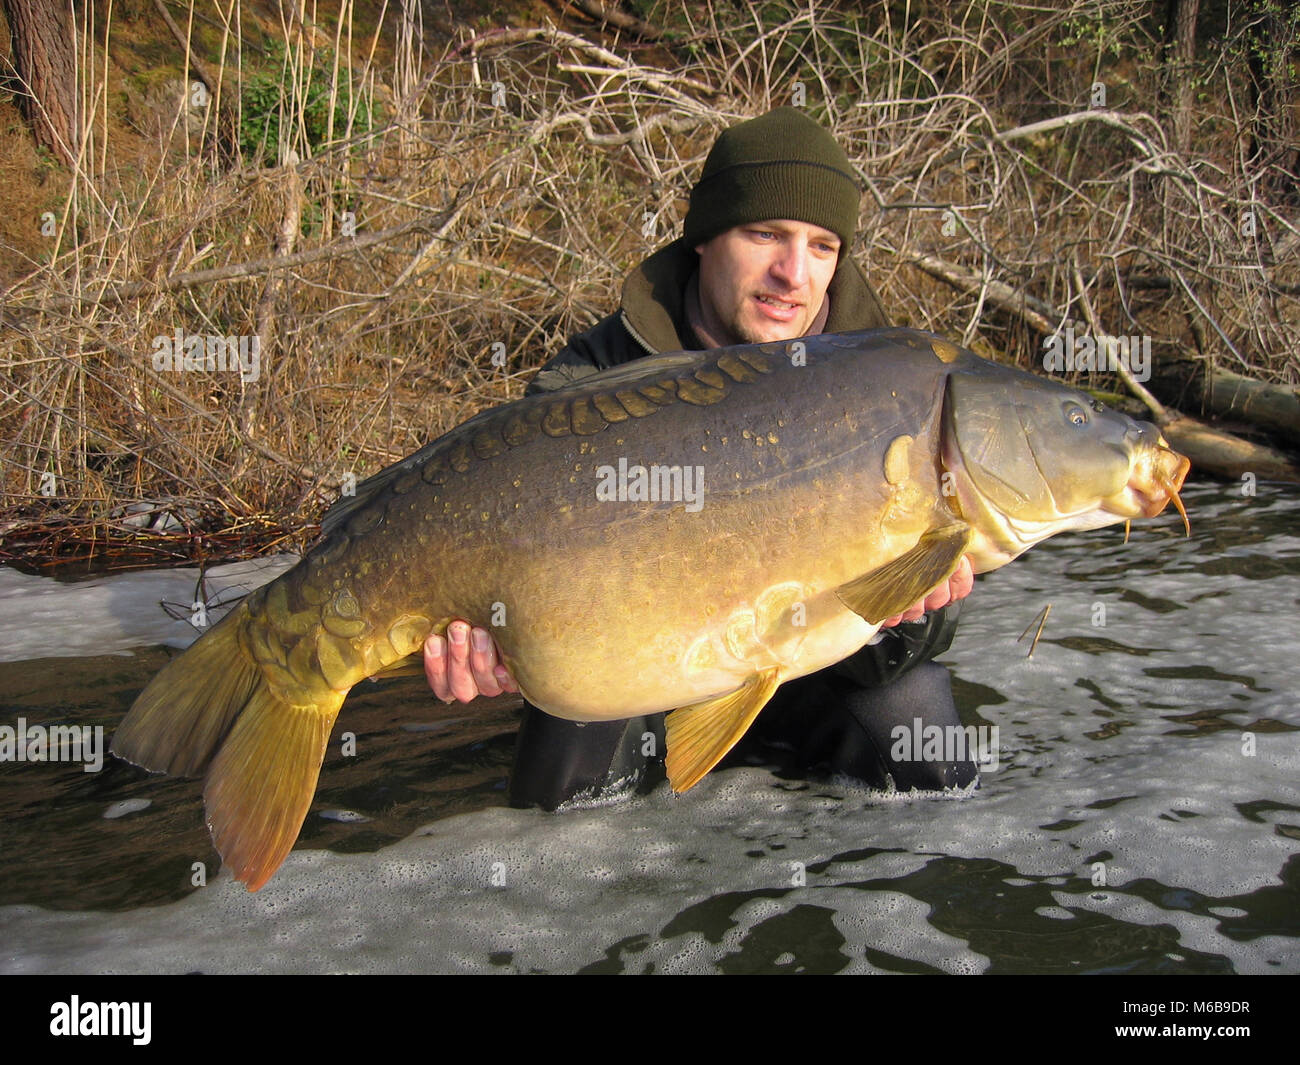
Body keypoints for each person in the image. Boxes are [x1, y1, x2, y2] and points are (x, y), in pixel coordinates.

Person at [423, 107, 977, 807]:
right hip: (647, 669)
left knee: (925, 738)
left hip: (820, 667)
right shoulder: (592, 379)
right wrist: (495, 645)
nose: (793, 275)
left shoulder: (895, 381)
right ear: (705, 241)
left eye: (823, 246)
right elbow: (504, 557)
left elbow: (929, 608)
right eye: (766, 234)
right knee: (566, 771)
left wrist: (916, 607)